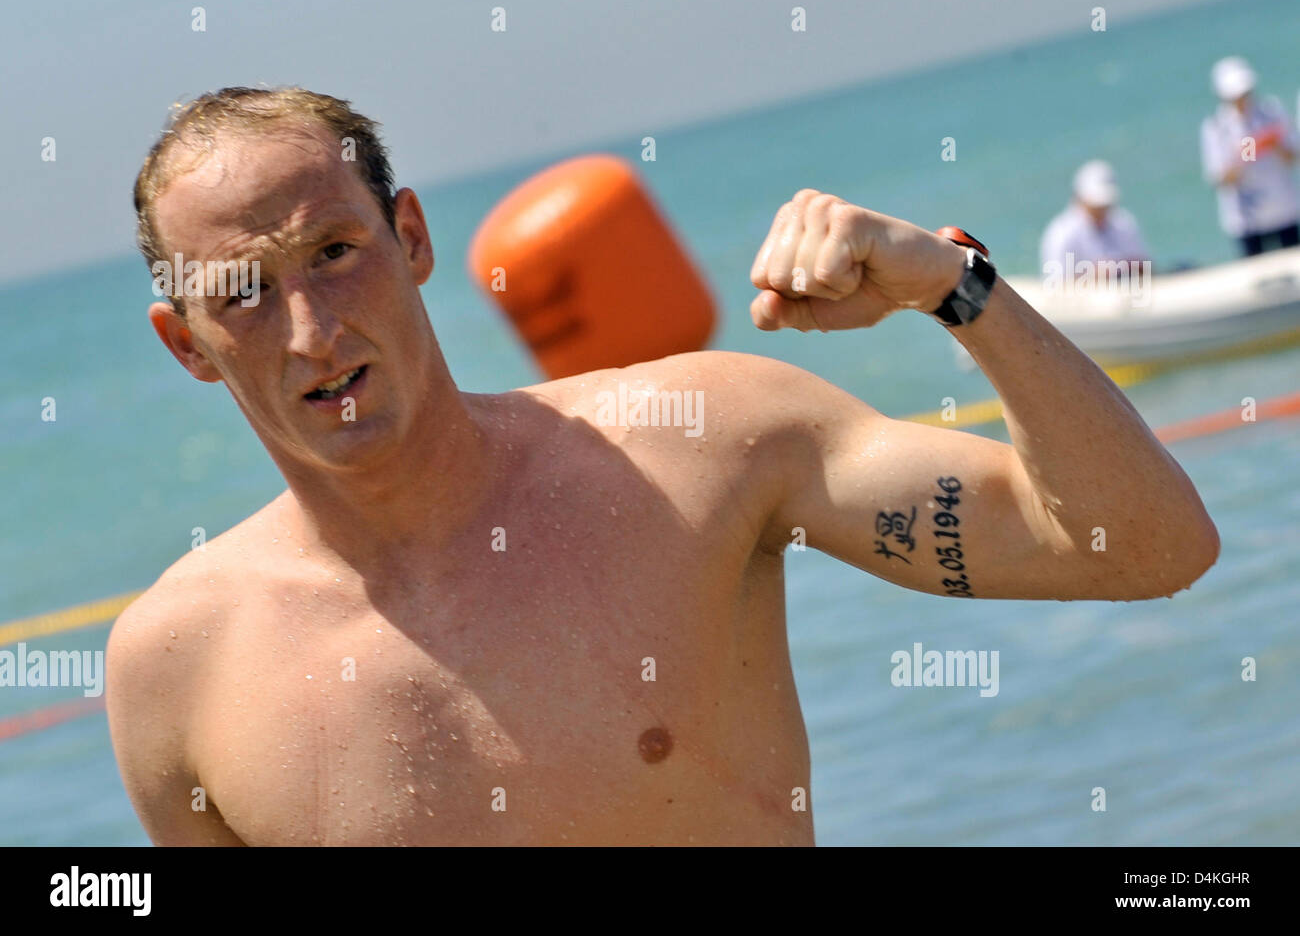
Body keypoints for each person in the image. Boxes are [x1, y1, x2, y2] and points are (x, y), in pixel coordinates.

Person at [106, 87, 1219, 846]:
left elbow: (1144, 548)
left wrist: (953, 290)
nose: (310, 331)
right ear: (185, 342)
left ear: (412, 238)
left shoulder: (700, 443)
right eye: (242, 292)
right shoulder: (175, 668)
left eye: (334, 254)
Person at [1201, 56, 1300, 257]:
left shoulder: (1271, 111)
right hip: (1247, 218)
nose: (1243, 99)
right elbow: (1219, 177)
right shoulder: (1216, 126)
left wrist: (1272, 143)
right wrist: (1251, 147)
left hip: (1283, 207)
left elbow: (1292, 157)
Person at [1039, 160, 1150, 289]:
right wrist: (1096, 276)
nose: (1101, 210)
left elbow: (1146, 267)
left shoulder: (1124, 222)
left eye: (1104, 205)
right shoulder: (1061, 233)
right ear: (1080, 197)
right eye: (1096, 205)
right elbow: (1055, 286)